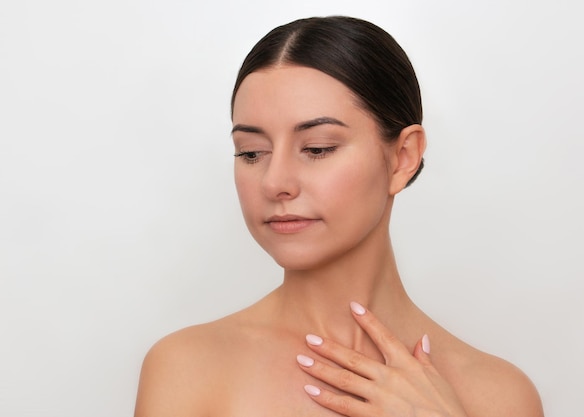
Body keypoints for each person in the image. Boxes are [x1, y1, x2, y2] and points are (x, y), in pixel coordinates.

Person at [134, 16, 543, 417]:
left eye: (317, 148)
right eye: (251, 153)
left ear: (403, 158)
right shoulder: (186, 368)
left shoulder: (500, 397)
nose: (275, 182)